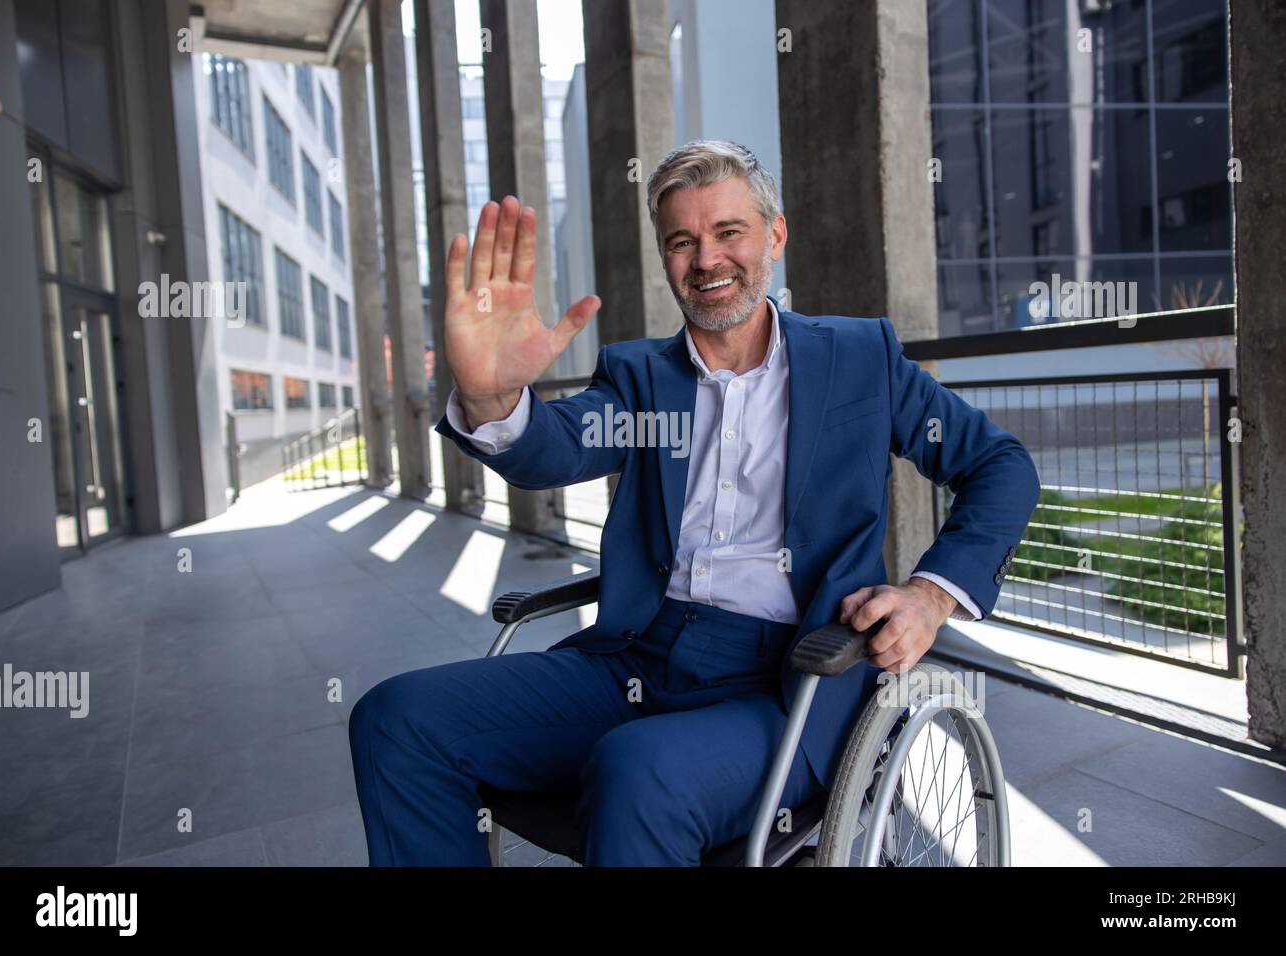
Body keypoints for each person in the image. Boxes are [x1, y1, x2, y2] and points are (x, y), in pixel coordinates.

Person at [348, 140, 1041, 866]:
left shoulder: (858, 358)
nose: (706, 260)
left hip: (794, 676)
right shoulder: (641, 376)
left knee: (636, 772)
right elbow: (556, 446)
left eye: (728, 233)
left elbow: (1000, 465)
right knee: (397, 720)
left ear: (774, 237)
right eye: (682, 241)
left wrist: (929, 596)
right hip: (639, 655)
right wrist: (493, 396)